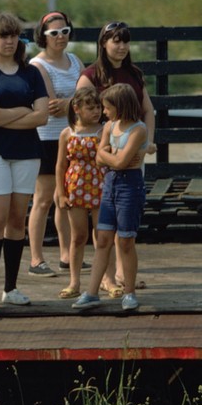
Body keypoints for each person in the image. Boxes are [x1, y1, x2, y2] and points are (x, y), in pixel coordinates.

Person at [0, 12, 50, 319]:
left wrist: (5, 114)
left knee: (17, 220)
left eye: (14, 35)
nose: (9, 41)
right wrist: (22, 111)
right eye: (3, 36)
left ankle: (10, 288)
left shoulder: (31, 73)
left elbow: (42, 116)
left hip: (27, 152)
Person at [75, 21, 156, 290]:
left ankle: (123, 274)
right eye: (115, 41)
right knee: (102, 222)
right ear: (103, 44)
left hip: (132, 154)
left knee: (126, 219)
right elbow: (82, 115)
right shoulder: (90, 75)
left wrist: (146, 143)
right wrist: (104, 145)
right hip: (101, 154)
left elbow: (148, 111)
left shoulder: (134, 73)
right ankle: (105, 279)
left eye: (125, 41)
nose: (121, 47)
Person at [73, 84, 147, 311]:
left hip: (130, 186)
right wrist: (111, 156)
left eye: (107, 107)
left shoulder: (138, 129)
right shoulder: (108, 127)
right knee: (103, 238)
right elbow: (99, 159)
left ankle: (129, 292)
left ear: (120, 106)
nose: (104, 112)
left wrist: (109, 155)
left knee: (125, 241)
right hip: (110, 184)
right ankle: (92, 292)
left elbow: (120, 162)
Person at [26, 10, 87, 278]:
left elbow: (89, 97)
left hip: (74, 137)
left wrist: (71, 103)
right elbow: (53, 108)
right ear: (43, 36)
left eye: (65, 32)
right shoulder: (38, 65)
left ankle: (66, 255)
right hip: (47, 138)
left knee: (66, 198)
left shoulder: (75, 61)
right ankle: (36, 258)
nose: (61, 37)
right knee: (43, 199)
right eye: (54, 33)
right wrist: (77, 102)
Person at [53, 86, 109, 299]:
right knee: (78, 236)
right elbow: (60, 165)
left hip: (100, 186)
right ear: (76, 108)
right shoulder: (67, 133)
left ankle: (108, 279)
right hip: (75, 188)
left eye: (98, 108)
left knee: (102, 236)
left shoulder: (104, 130)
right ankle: (74, 281)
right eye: (90, 108)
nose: (96, 112)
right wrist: (60, 192)